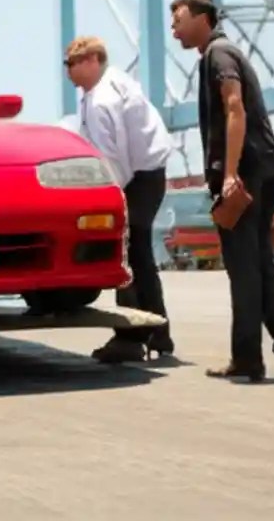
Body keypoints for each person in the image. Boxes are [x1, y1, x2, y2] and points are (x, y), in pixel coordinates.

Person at [170, 0, 274, 383]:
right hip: (264, 167)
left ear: (202, 17)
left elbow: (233, 107)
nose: (174, 30)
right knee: (259, 262)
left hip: (245, 172)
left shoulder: (219, 54)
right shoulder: (224, 52)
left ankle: (248, 358)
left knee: (243, 268)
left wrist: (229, 174)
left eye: (178, 21)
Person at [64, 35, 174, 363]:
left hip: (136, 179)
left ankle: (134, 335)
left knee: (127, 257)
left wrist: (107, 198)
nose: (67, 71)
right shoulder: (108, 88)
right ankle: (155, 332)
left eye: (71, 63)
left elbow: (112, 158)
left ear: (92, 60)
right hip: (147, 176)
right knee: (138, 257)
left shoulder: (102, 100)